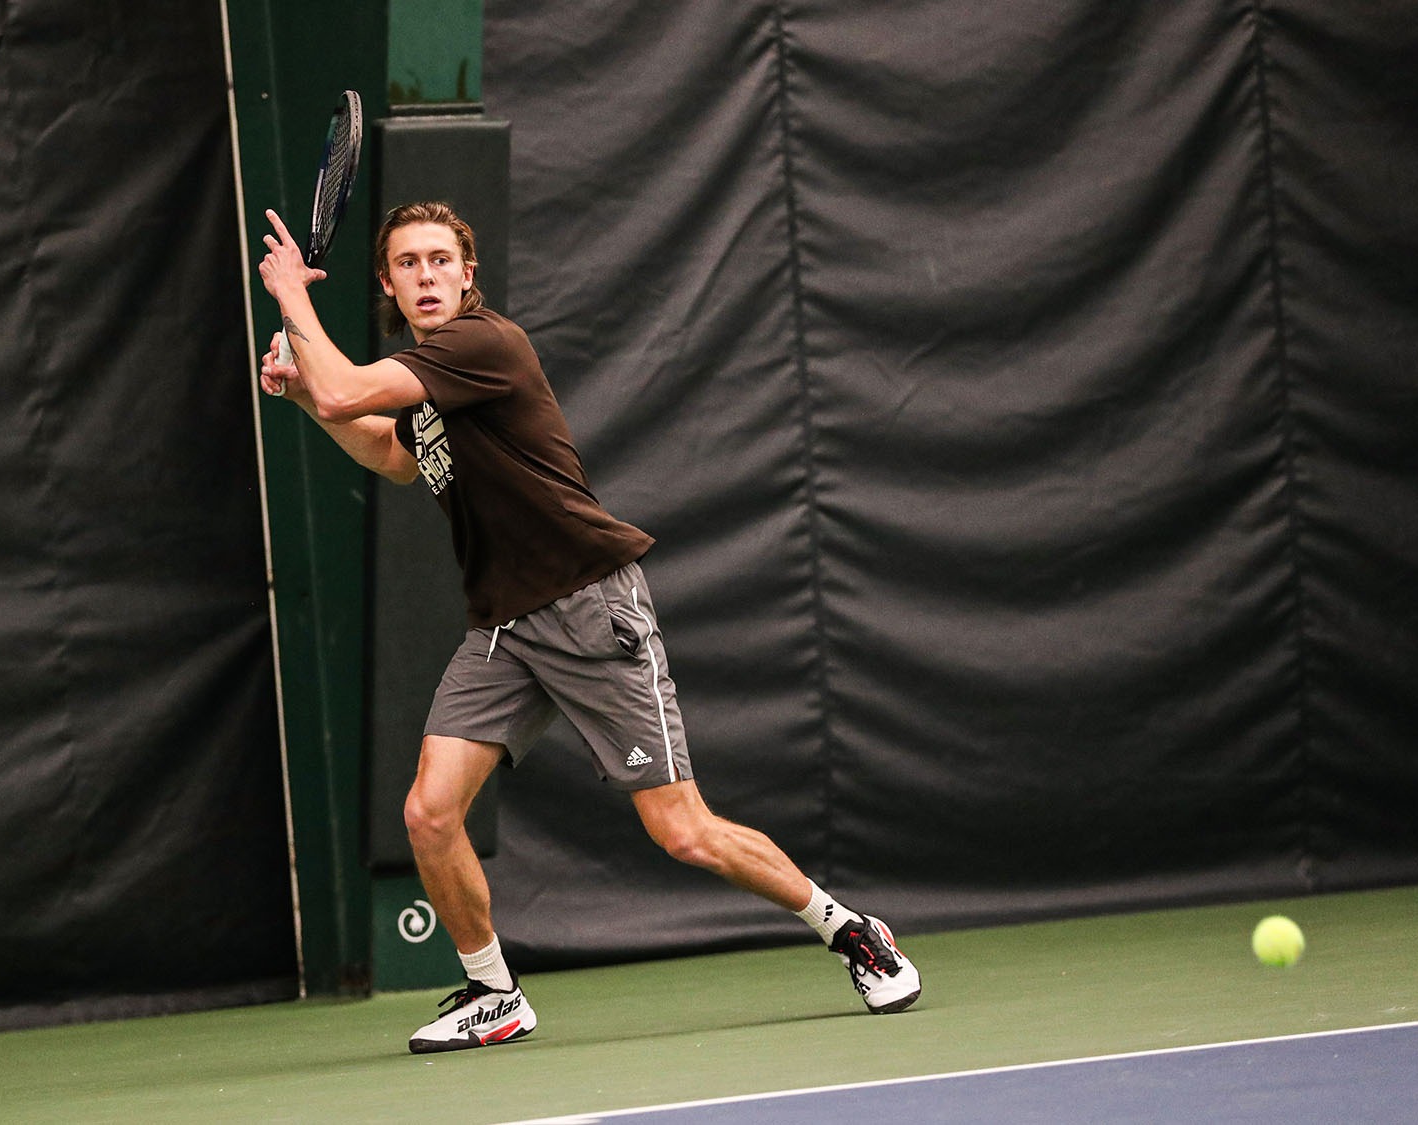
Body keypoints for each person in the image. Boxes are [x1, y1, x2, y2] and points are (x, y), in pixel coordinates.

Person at [256, 201, 920, 1054]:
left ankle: (850, 928)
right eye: (408, 265)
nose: (425, 278)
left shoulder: (482, 345)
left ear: (467, 274)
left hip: (587, 605)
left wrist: (292, 303)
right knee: (429, 811)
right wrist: (311, 399)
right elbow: (392, 453)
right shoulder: (431, 380)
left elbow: (351, 386)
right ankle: (493, 992)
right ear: (387, 282)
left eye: (438, 261)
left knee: (682, 830)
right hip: (504, 626)